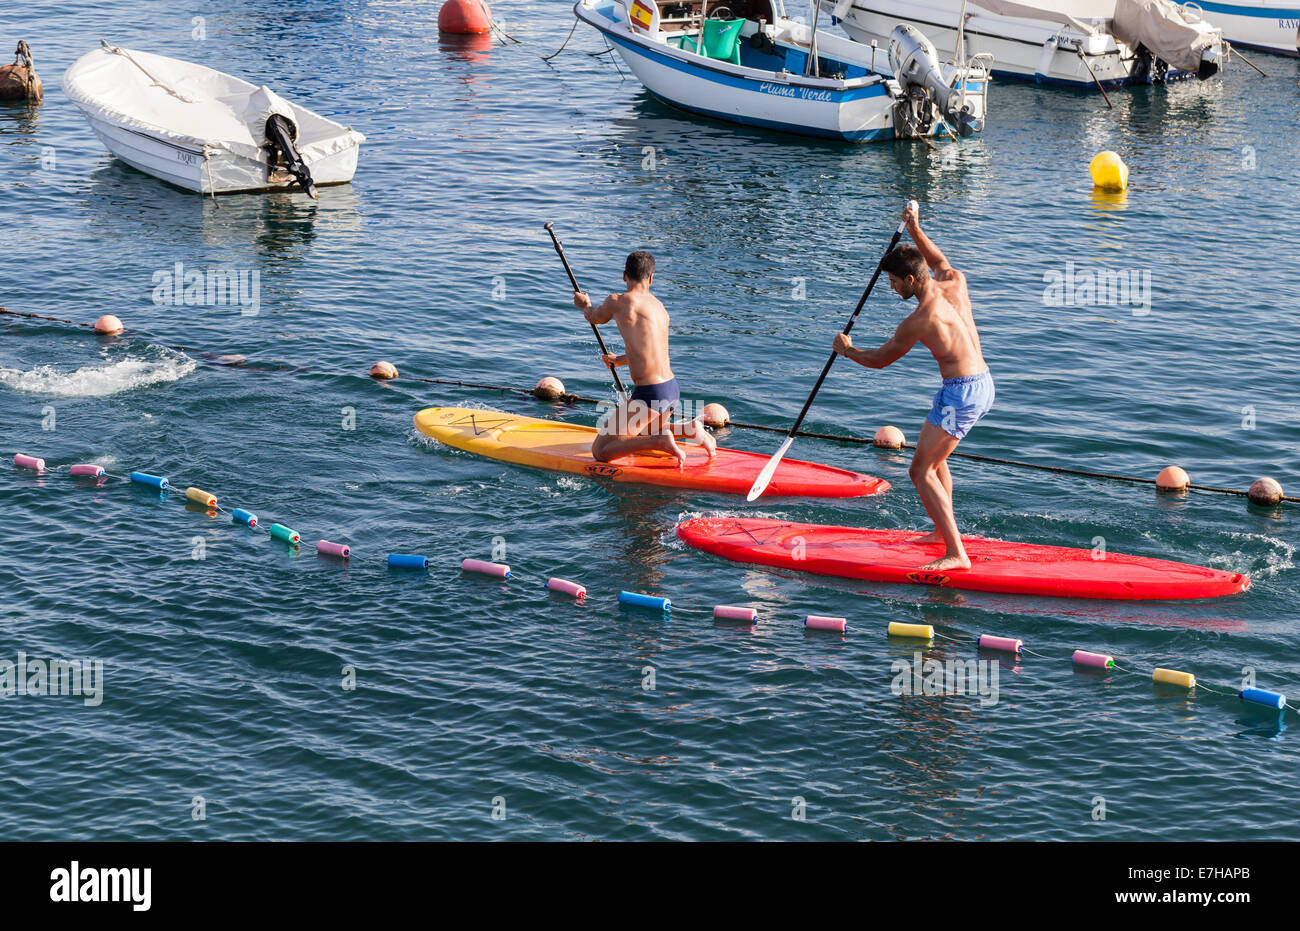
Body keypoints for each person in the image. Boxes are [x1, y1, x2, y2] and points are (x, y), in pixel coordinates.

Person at [832, 205, 993, 571]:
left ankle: (957, 553)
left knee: (919, 471)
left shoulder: (919, 320)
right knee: (936, 462)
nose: (891, 287)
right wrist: (915, 228)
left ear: (910, 279)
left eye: (893, 281)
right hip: (980, 383)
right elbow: (937, 258)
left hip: (961, 393)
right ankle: (941, 533)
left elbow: (879, 361)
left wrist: (847, 350)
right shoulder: (954, 281)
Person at [573, 250, 716, 466]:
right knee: (639, 433)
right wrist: (619, 360)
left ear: (624, 275)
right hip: (670, 388)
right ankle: (689, 429)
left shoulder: (618, 301)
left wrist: (584, 304)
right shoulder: (659, 308)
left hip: (650, 393)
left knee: (600, 451)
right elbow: (650, 351)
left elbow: (594, 317)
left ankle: (661, 440)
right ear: (651, 278)